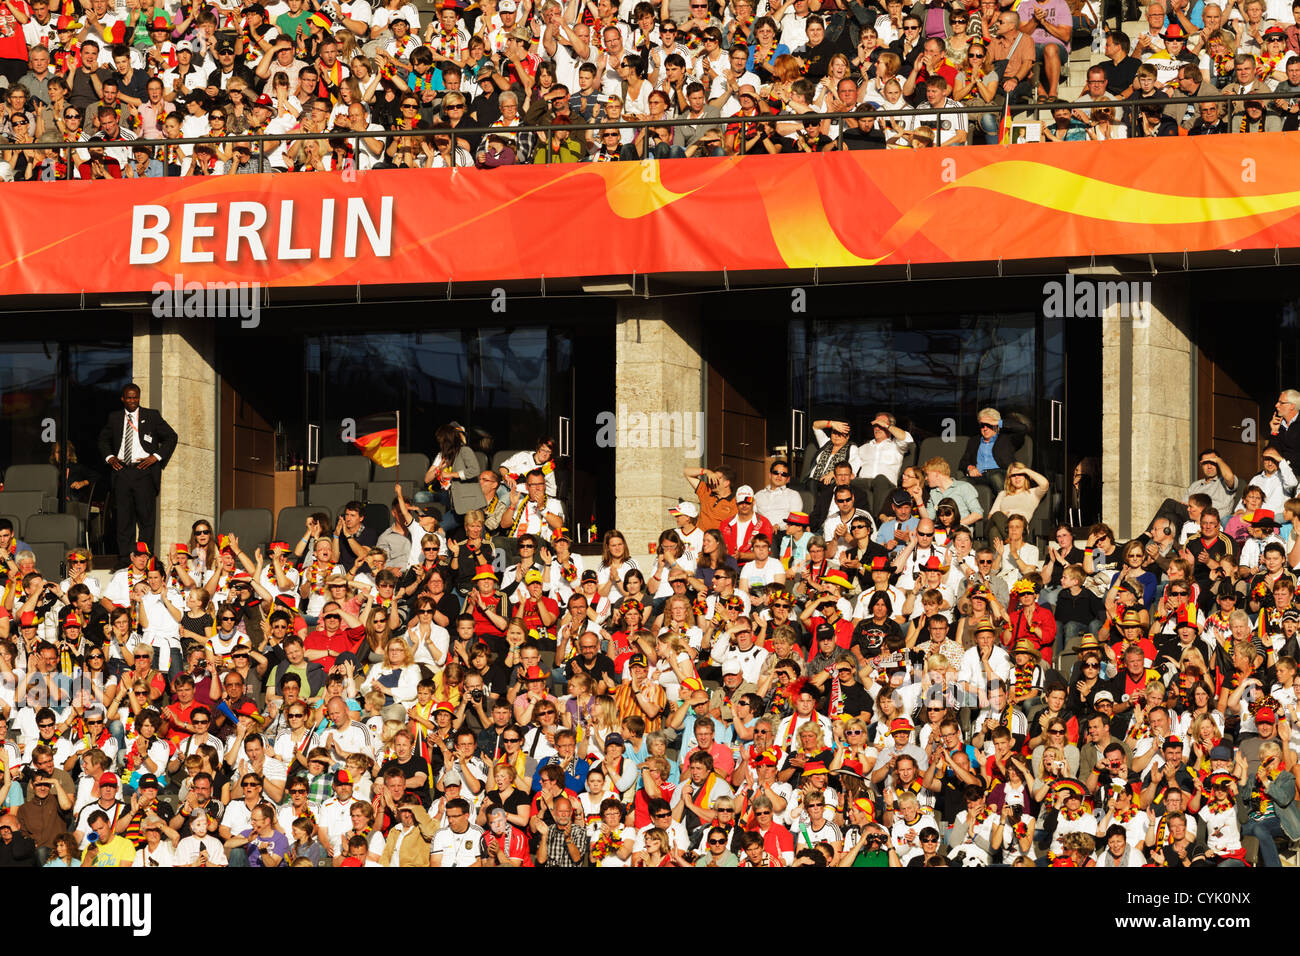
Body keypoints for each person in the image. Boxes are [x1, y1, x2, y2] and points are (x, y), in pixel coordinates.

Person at [96, 383, 178, 558]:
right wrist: (109, 457)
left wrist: (155, 456)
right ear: (123, 399)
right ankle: (126, 559)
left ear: (139, 398)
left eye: (135, 397)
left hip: (144, 472)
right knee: (124, 519)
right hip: (122, 472)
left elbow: (171, 436)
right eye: (129, 397)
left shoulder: (151, 415)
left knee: (146, 518)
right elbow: (103, 440)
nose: (132, 401)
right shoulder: (115, 417)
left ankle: (145, 558)